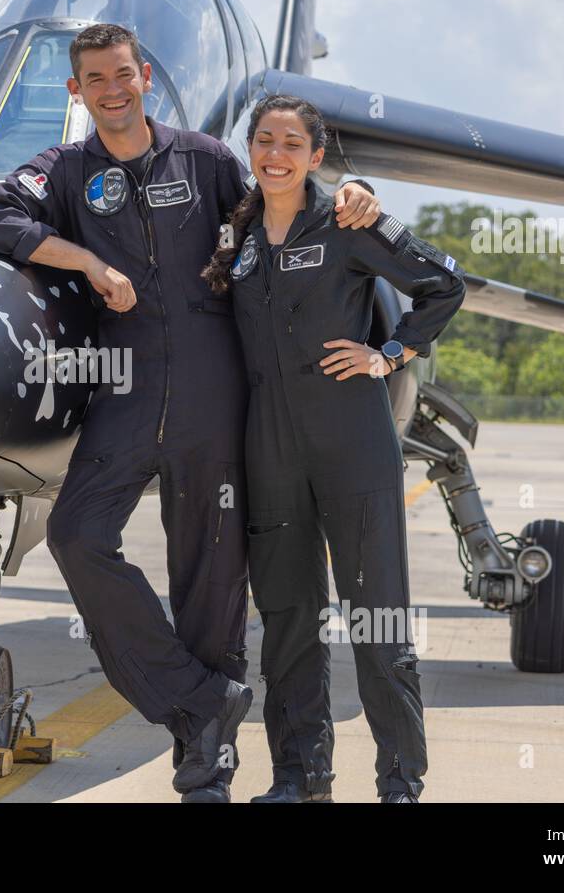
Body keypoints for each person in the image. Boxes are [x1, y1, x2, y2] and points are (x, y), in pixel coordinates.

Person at [0, 24, 381, 802]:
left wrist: (347, 195)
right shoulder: (67, 169)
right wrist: (82, 258)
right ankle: (199, 699)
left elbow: (274, 212)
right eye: (95, 79)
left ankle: (205, 766)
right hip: (122, 387)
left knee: (210, 582)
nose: (112, 89)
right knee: (76, 535)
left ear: (145, 75)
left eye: (123, 74)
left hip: (213, 393)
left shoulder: (206, 158)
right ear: (75, 92)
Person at [202, 94, 466, 803]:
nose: (276, 154)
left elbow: (444, 284)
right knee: (288, 623)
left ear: (316, 157)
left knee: (378, 622)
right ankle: (301, 777)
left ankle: (401, 784)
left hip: (353, 442)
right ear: (250, 149)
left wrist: (390, 352)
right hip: (271, 450)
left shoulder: (349, 221)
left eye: (292, 143)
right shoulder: (240, 237)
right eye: (264, 140)